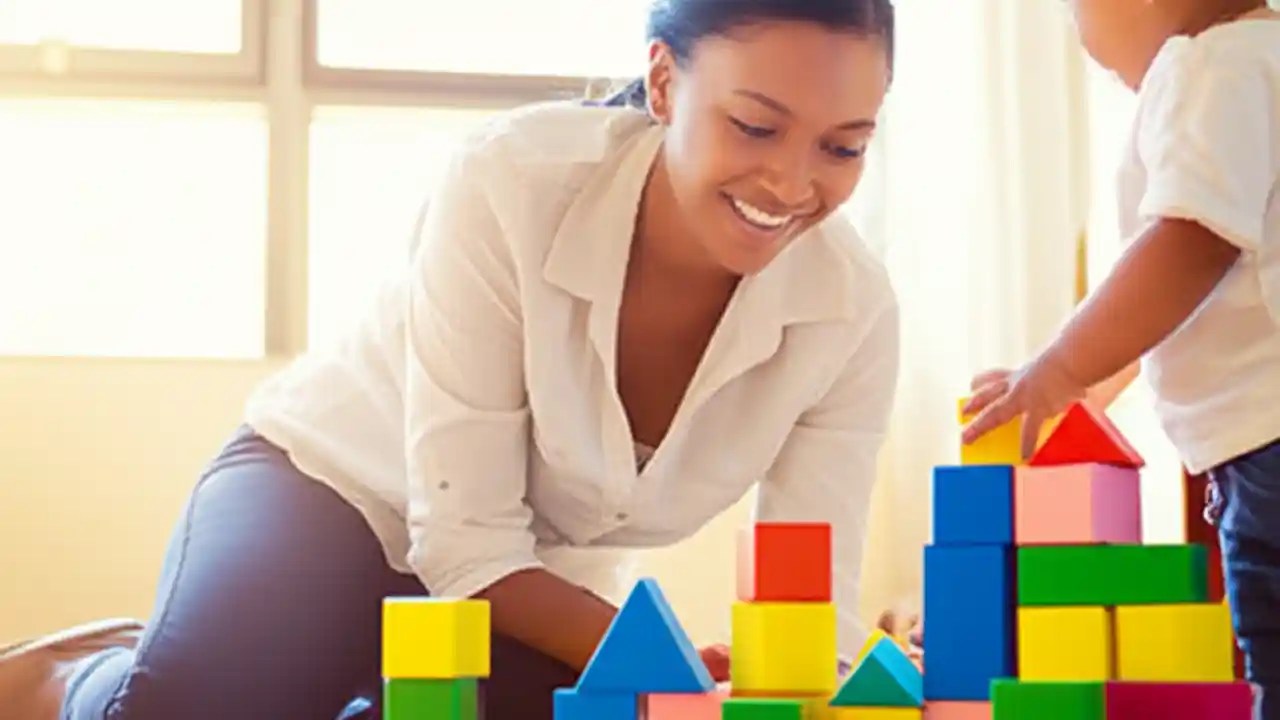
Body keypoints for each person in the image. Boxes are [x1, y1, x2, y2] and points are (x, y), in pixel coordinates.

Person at [58, 1, 901, 718]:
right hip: (335, 486)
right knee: (198, 705)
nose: (792, 184)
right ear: (664, 83)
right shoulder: (514, 179)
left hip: (533, 583)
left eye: (843, 147)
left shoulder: (851, 316)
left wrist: (803, 684)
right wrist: (664, 654)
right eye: (755, 126)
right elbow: (467, 541)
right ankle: (80, 674)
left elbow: (812, 600)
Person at [962, 1, 1280, 718]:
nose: (1075, 29)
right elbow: (1191, 298)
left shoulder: (1210, 67)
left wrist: (1061, 366)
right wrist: (1081, 390)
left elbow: (1188, 249)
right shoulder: (1258, 60)